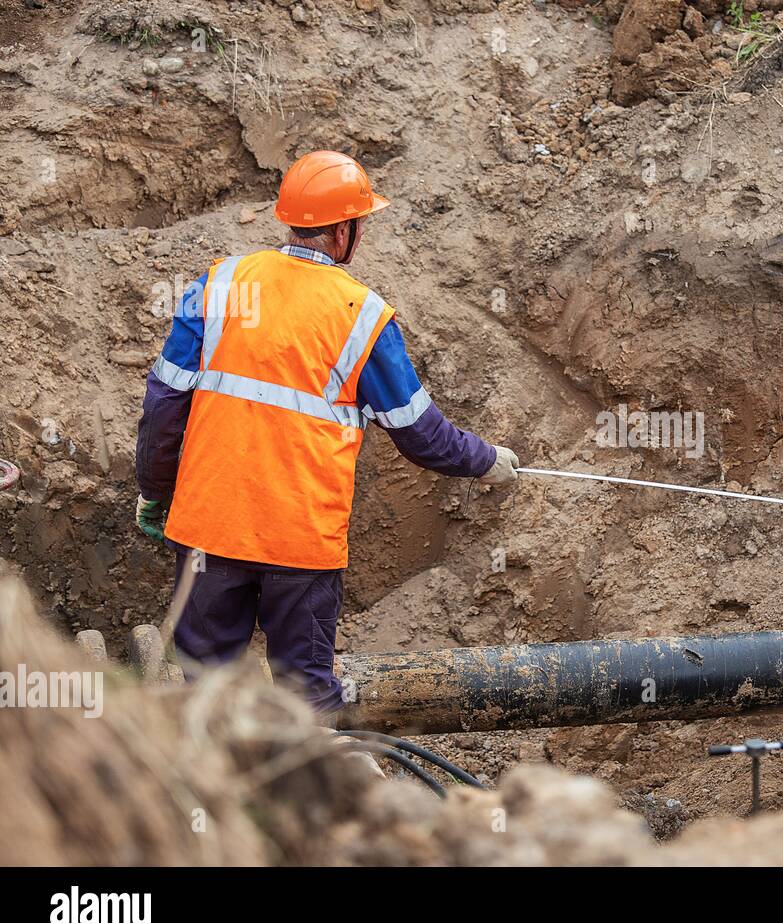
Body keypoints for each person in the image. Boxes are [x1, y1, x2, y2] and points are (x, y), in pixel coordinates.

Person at [135, 149, 518, 717]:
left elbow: (164, 405)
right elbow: (420, 434)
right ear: (342, 231)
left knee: (203, 691)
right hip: (300, 542)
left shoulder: (220, 285)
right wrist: (485, 460)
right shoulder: (359, 315)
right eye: (360, 223)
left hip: (208, 528)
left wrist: (155, 489)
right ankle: (315, 795)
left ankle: (206, 800)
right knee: (306, 696)